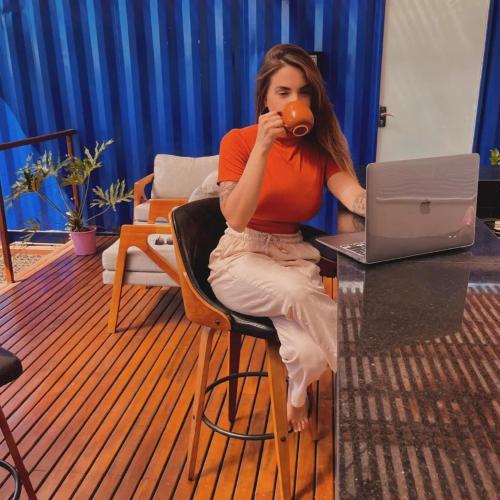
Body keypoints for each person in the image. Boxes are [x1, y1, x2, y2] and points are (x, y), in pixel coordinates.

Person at [207, 44, 366, 432]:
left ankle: (297, 396)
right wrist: (263, 148)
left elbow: (353, 196)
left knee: (309, 352)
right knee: (298, 294)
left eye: (304, 92)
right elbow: (237, 217)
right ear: (265, 96)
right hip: (240, 258)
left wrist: (392, 203)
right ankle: (365, 376)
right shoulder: (239, 142)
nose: (296, 101)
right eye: (284, 92)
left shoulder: (319, 151)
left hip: (292, 258)